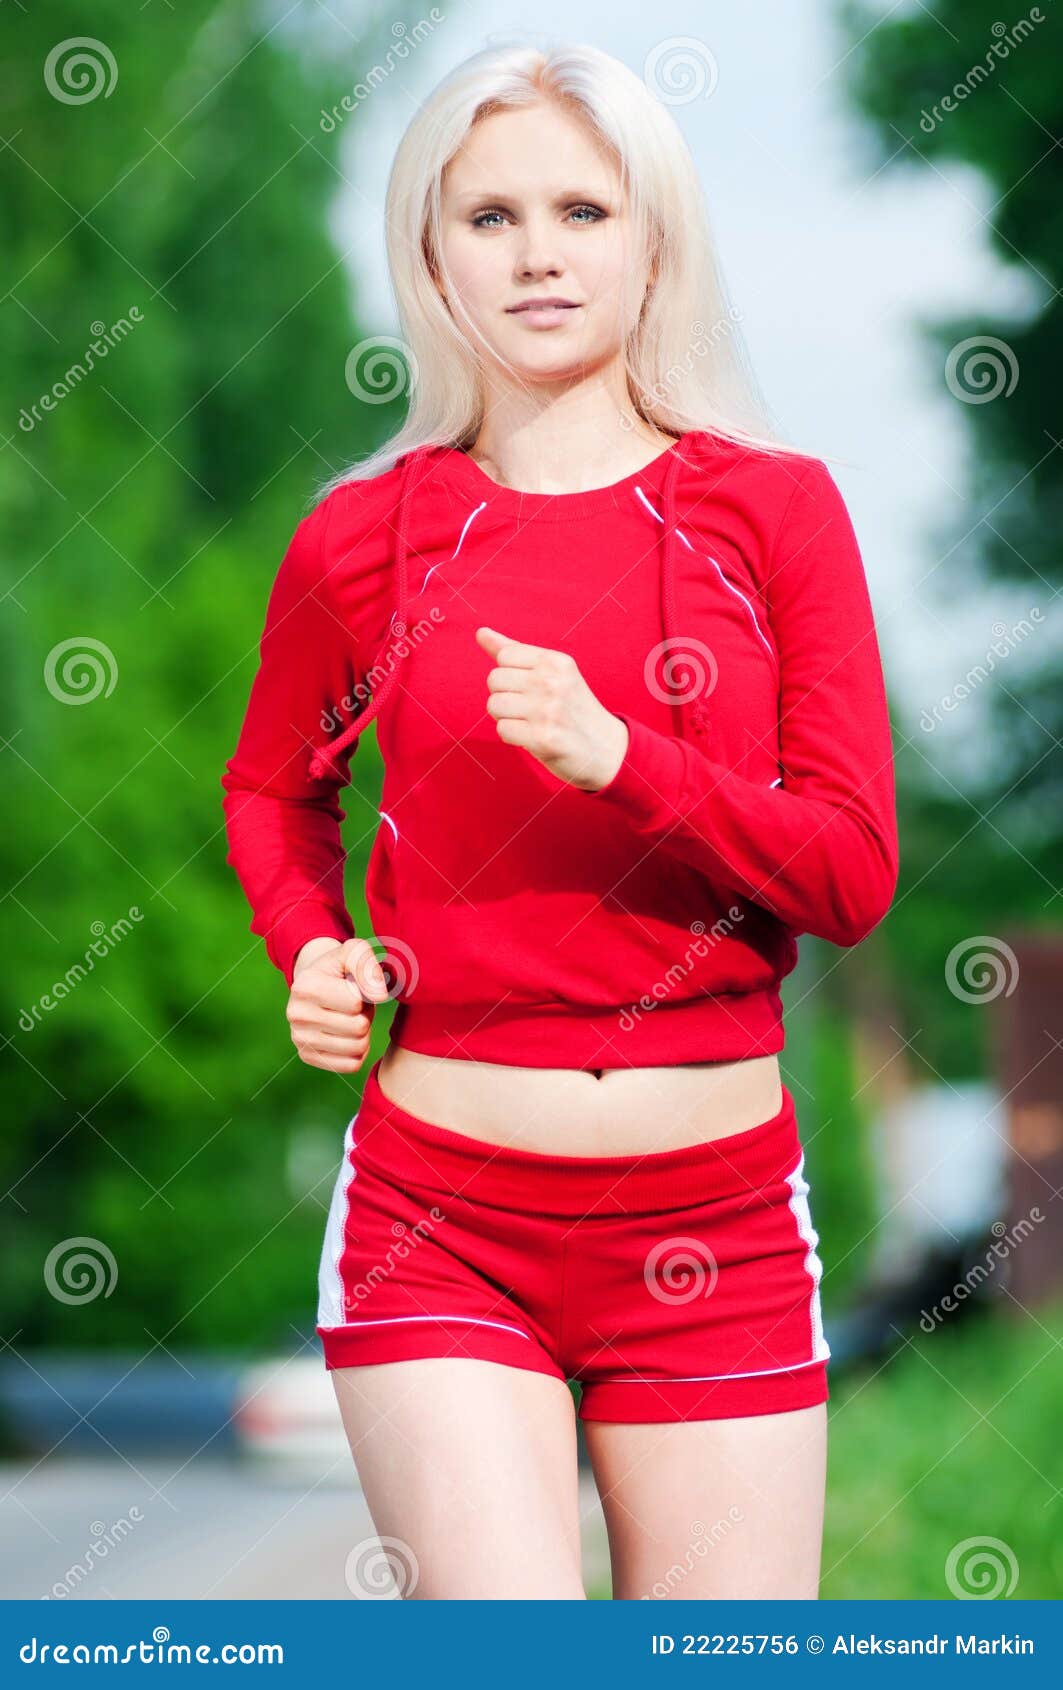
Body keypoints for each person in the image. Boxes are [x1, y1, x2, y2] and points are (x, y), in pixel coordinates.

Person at [221, 41, 898, 1601]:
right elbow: (274, 789)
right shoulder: (360, 538)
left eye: (584, 211)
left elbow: (852, 870)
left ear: (655, 244)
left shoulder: (774, 515)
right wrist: (312, 949)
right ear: (430, 255)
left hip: (716, 1221)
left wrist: (623, 759)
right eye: (490, 216)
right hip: (439, 1213)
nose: (538, 253)